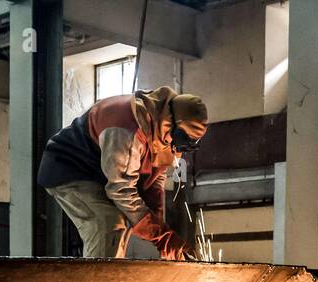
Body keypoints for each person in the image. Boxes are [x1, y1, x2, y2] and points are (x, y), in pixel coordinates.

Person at [38, 86, 208, 260]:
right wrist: (162, 238)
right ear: (172, 124)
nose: (178, 149)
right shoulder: (127, 128)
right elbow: (121, 191)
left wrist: (159, 228)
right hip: (70, 165)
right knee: (108, 224)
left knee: (121, 223)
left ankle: (111, 279)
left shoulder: (165, 133)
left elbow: (156, 180)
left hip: (102, 174)